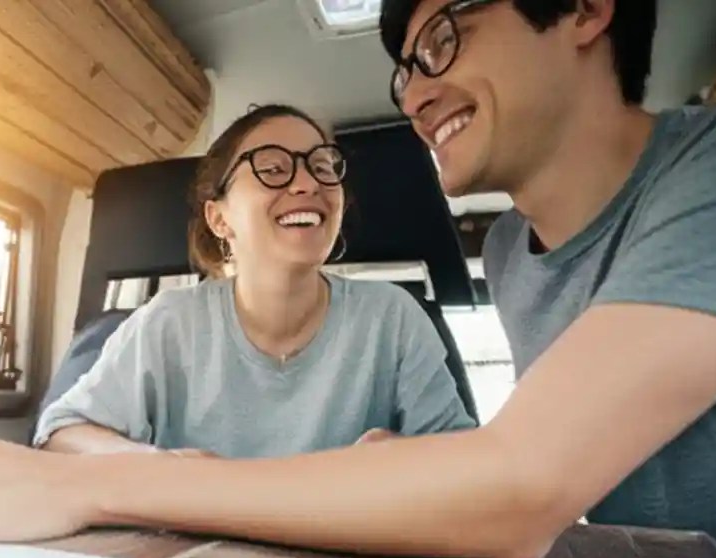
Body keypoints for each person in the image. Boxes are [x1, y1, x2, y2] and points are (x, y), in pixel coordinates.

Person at [0, 0, 716, 558]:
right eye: (407, 66)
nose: (416, 91)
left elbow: (511, 483)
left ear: (587, 10)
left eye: (443, 37)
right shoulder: (516, 253)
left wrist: (112, 488)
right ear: (218, 217)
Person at [35, 103, 474, 458]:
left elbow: (462, 462)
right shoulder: (170, 323)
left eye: (322, 166)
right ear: (220, 218)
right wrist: (154, 464)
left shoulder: (392, 318)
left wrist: (408, 461)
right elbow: (61, 432)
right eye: (272, 167)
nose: (307, 183)